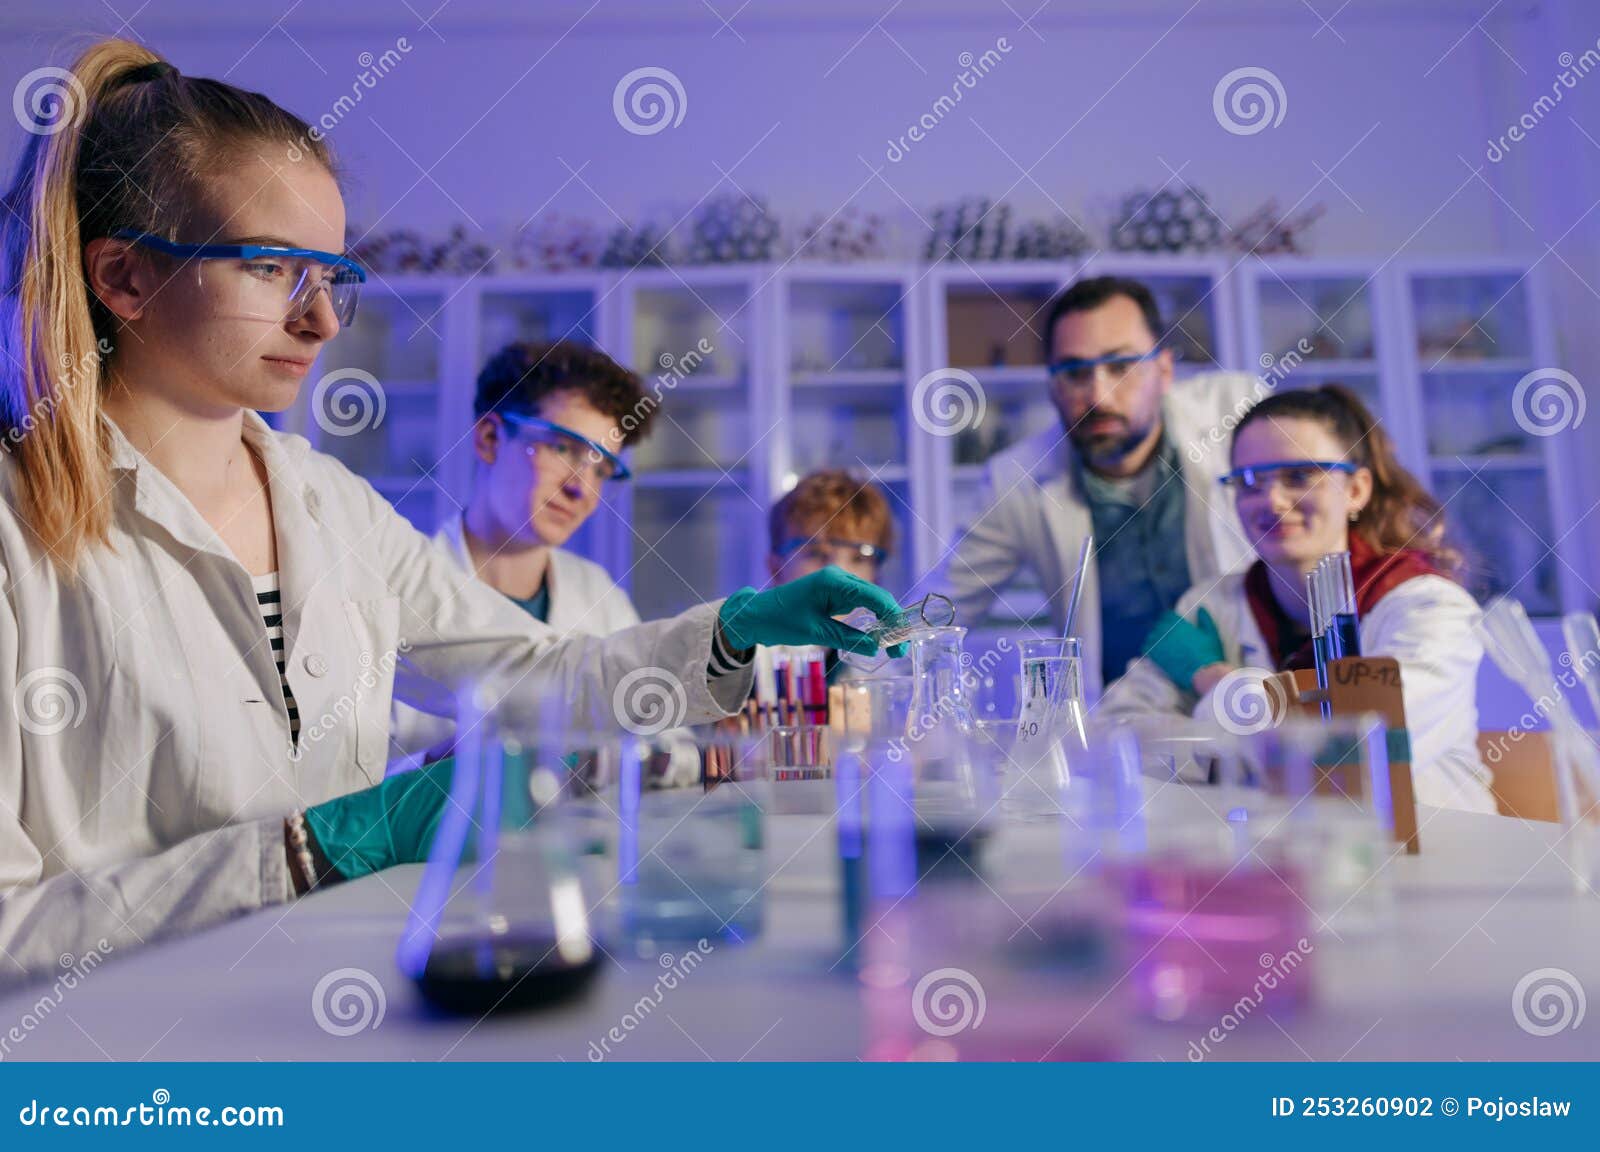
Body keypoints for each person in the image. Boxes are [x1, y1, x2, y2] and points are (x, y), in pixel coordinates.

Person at [0, 40, 903, 985]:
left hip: (331, 1012)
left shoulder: (328, 506)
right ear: (125, 278)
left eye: (330, 275)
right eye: (271, 268)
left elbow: (530, 672)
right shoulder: (22, 529)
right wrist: (311, 853)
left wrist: (728, 636)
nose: (322, 322)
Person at [1097, 385, 1494, 813]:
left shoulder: (1429, 607)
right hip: (1275, 858)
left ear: (1357, 489)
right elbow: (1110, 734)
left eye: (1300, 477)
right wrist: (1251, 748)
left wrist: (1222, 685)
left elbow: (1352, 752)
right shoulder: (1211, 604)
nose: (1271, 499)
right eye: (1249, 481)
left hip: (1436, 859)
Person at [938, 275, 1263, 701]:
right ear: (1051, 383)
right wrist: (844, 670)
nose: (1097, 395)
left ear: (1164, 370)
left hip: (1249, 708)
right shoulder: (1015, 480)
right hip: (1121, 732)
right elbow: (940, 611)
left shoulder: (1236, 417)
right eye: (1074, 372)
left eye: (1120, 366)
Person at [388, 339, 661, 768]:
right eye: (563, 448)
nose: (582, 488)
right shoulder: (394, 593)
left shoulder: (600, 599)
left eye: (601, 467)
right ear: (491, 438)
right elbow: (345, 795)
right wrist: (443, 765)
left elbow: (661, 742)